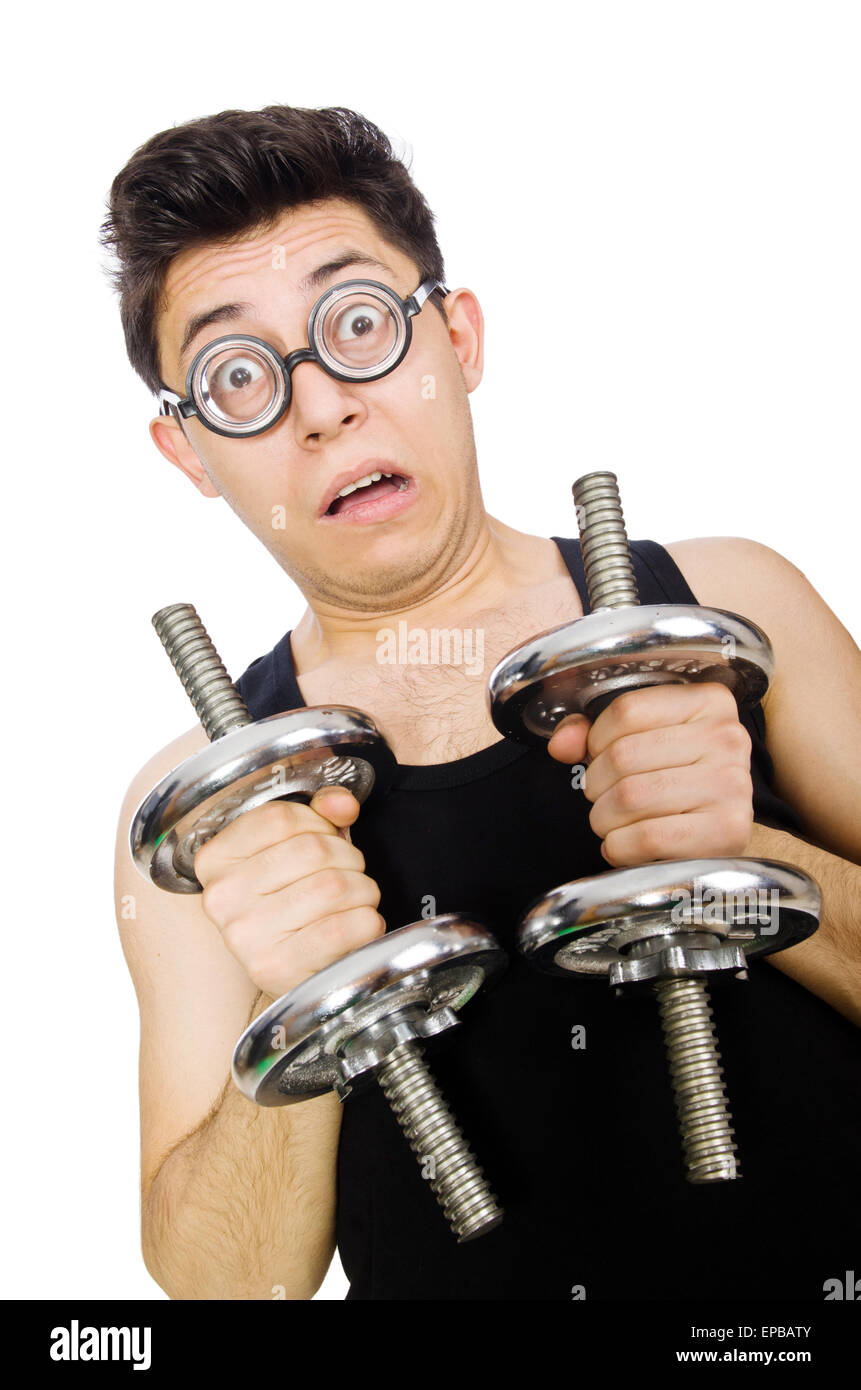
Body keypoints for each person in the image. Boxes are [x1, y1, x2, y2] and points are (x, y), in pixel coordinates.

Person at [105, 104, 860, 1302]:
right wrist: (291, 994)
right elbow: (227, 1289)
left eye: (358, 324)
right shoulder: (198, 816)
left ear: (455, 337)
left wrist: (757, 859)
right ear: (188, 451)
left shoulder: (730, 605)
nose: (323, 407)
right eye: (239, 374)